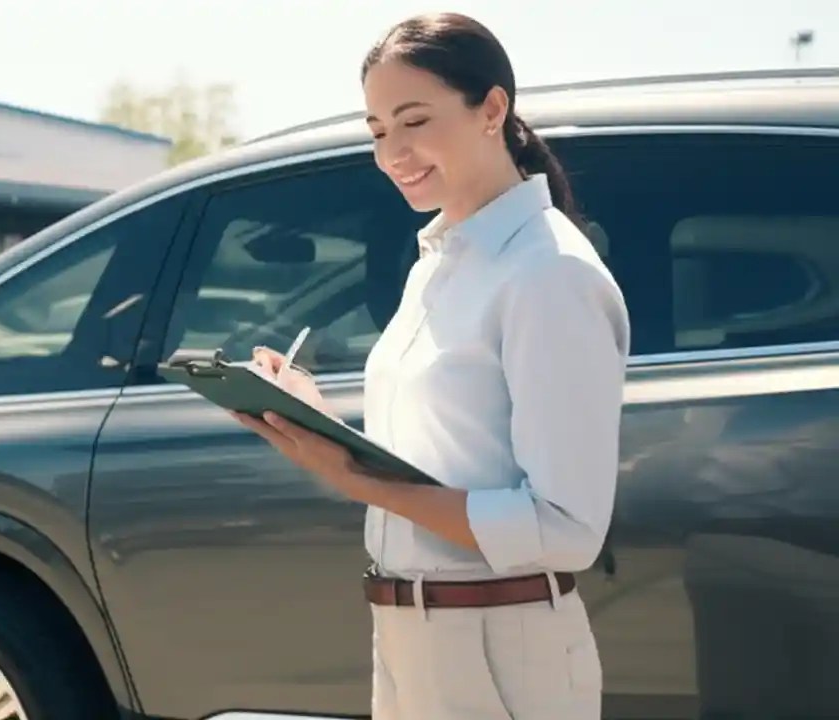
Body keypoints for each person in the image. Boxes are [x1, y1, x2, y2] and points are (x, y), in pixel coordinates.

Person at [232, 11, 630, 720]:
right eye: (378, 130)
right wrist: (318, 420)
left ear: (493, 109)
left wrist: (355, 479)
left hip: (498, 648)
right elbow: (447, 460)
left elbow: (566, 527)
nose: (393, 153)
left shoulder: (548, 274)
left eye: (414, 121)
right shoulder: (440, 266)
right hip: (411, 634)